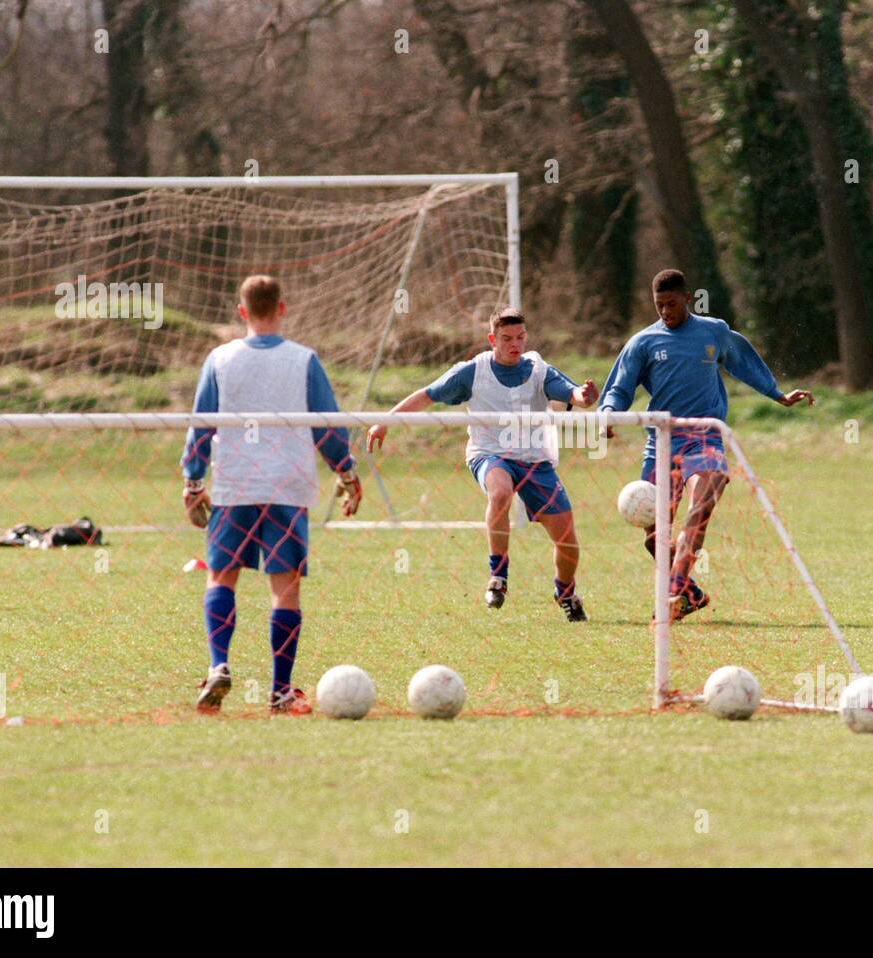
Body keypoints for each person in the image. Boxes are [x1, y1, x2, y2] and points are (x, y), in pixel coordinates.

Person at [181, 275, 361, 714]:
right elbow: (327, 425)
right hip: (286, 487)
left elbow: (200, 424)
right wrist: (346, 471)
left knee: (222, 577)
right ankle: (280, 691)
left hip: (234, 487)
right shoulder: (303, 361)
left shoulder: (220, 359)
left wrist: (193, 480)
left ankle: (219, 665)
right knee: (285, 589)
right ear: (282, 308)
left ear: (242, 312)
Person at [598, 268, 814, 621]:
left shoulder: (713, 332)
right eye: (659, 306)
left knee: (702, 502)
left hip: (704, 437)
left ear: (688, 298)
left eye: (671, 304)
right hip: (662, 444)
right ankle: (690, 593)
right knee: (655, 536)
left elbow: (744, 361)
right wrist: (608, 413)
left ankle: (673, 589)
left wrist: (777, 393)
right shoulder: (643, 343)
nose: (665, 312)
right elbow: (621, 387)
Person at [366, 306, 598, 620]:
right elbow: (428, 394)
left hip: (535, 460)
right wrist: (384, 421)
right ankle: (498, 576)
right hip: (490, 454)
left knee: (567, 541)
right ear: (492, 339)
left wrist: (586, 396)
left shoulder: (539, 369)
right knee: (500, 493)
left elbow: (574, 395)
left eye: (520, 337)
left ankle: (565, 591)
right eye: (506, 338)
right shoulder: (473, 372)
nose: (515, 344)